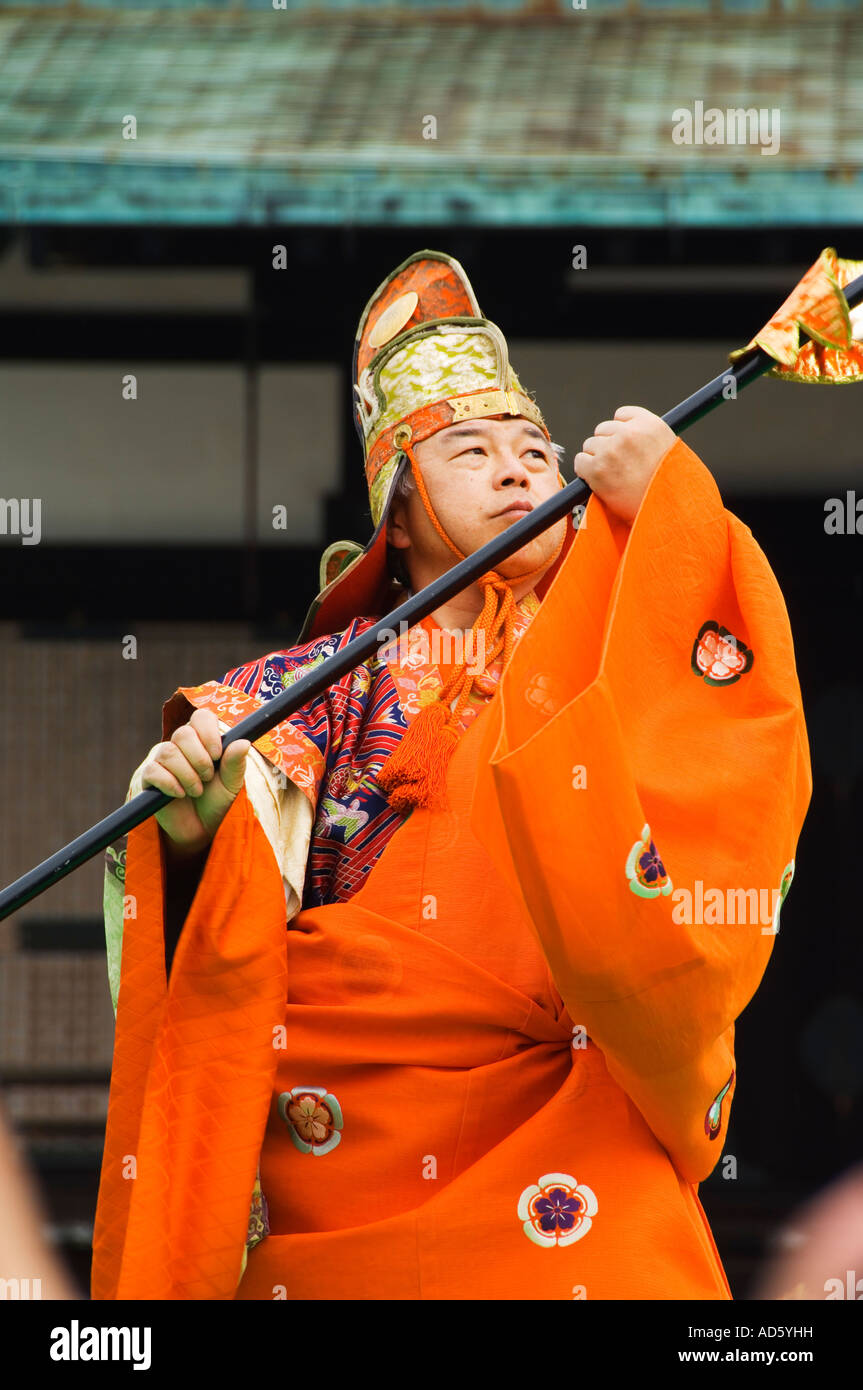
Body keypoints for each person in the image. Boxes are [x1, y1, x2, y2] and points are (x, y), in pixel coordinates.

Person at [92, 249, 811, 1300]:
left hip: (577, 1120)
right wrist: (196, 828)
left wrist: (671, 504)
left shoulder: (610, 638)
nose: (519, 469)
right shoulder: (306, 688)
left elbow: (719, 731)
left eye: (535, 447)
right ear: (400, 501)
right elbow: (224, 920)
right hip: (357, 1145)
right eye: (469, 450)